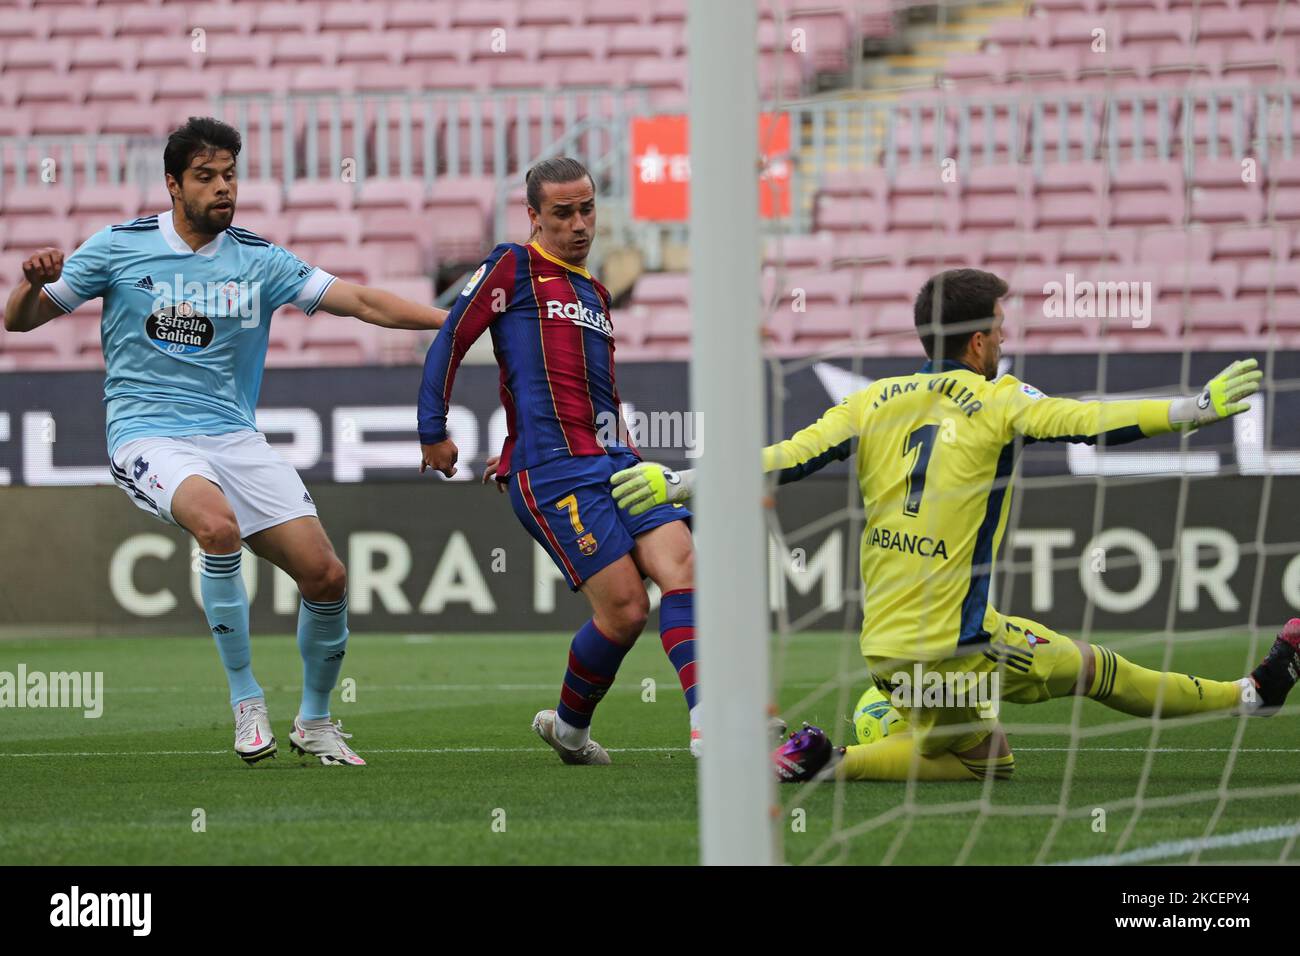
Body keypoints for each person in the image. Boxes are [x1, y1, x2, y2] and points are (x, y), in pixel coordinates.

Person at [3, 117, 447, 766]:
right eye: (206, 177)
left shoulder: (260, 260)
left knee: (325, 576)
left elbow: (361, 303)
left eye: (230, 175)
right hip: (147, 433)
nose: (222, 188)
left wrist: (457, 322)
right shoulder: (118, 247)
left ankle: (316, 722)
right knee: (217, 528)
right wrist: (31, 282)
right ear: (173, 185)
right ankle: (246, 703)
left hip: (235, 438)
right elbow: (19, 322)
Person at [418, 157, 700, 763]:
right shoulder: (512, 266)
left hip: (618, 460)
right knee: (626, 612)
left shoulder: (594, 291)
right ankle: (570, 730)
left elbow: (582, 387)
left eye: (588, 209)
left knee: (684, 565)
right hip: (554, 471)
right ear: (534, 216)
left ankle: (710, 723)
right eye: (563, 213)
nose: (579, 225)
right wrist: (432, 429)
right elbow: (452, 338)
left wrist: (522, 438)